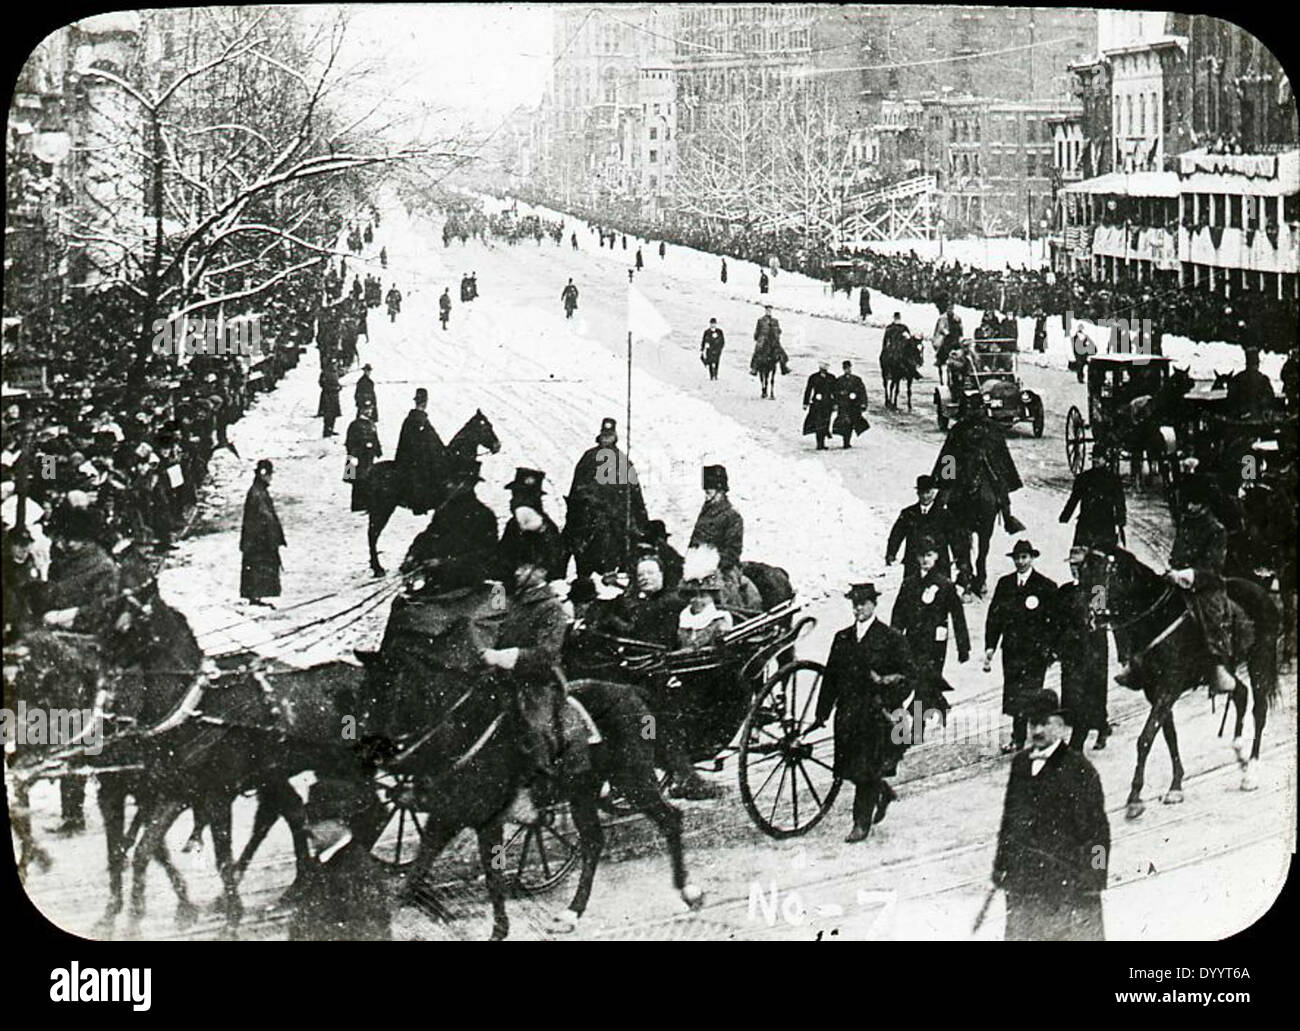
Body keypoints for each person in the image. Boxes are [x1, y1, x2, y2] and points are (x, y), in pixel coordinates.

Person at [992, 688, 1109, 941]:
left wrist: (1094, 877)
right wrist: (1001, 863)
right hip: (1024, 880)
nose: (1037, 731)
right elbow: (1010, 818)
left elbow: (1098, 832)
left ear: (1060, 725)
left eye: (1044, 723)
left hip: (1066, 884)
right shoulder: (1021, 764)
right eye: (1033, 723)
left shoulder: (1080, 770)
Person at [1117, 474, 1237, 696]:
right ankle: (1136, 661)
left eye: (1194, 502)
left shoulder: (1216, 529)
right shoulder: (1186, 523)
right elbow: (1177, 554)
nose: (1190, 506)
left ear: (1203, 503)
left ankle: (1217, 664)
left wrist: (1187, 574)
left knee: (1210, 616)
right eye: (1188, 502)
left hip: (1205, 586)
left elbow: (1213, 568)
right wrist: (1172, 572)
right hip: (1179, 581)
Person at [813, 582, 915, 843]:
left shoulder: (891, 638)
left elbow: (909, 677)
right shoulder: (842, 637)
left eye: (863, 602)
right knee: (850, 768)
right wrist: (821, 714)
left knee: (865, 771)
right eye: (854, 603)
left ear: (874, 604)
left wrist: (888, 697)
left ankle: (861, 823)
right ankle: (884, 792)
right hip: (847, 714)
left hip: (875, 716)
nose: (858, 607)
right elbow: (831, 678)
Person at [480, 534, 572, 823]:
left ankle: (533, 790)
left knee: (531, 725)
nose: (517, 572)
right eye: (518, 567)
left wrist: (504, 656)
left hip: (539, 681)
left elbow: (546, 655)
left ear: (541, 572)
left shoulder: (551, 608)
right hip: (505, 676)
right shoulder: (513, 601)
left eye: (524, 567)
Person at [984, 540, 1058, 752]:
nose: (1020, 562)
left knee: (1034, 694)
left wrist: (1051, 650)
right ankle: (1017, 738)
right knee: (1015, 694)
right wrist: (991, 645)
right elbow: (994, 617)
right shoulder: (1005, 584)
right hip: (1012, 650)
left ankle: (1038, 737)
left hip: (1036, 652)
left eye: (1024, 557)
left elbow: (1054, 622)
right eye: (1017, 558)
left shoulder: (1046, 586)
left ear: (1032, 558)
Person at [890, 535, 967, 731]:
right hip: (912, 640)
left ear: (936, 557)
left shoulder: (944, 584)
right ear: (916, 558)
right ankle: (939, 704)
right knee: (915, 680)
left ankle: (918, 726)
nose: (925, 559)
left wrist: (963, 647)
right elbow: (898, 612)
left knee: (924, 680)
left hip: (935, 643)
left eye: (929, 555)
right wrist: (895, 636)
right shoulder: (909, 583)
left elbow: (957, 616)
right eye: (922, 555)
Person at [400, 453, 498, 593]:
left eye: (454, 482)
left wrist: (444, 564)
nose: (448, 485)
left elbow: (485, 555)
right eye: (448, 481)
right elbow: (429, 535)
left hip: (468, 585)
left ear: (468, 484)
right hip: (438, 580)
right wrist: (413, 554)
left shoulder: (483, 515)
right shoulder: (445, 510)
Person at [563, 417, 648, 575]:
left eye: (609, 433)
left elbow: (634, 494)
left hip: (613, 518)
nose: (607, 437)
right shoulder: (609, 458)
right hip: (597, 516)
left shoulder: (619, 460)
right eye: (605, 433)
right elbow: (577, 488)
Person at [1057, 548, 1110, 750]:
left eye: (1078, 565)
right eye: (1072, 565)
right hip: (1071, 649)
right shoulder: (1066, 590)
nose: (1075, 569)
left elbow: (1098, 619)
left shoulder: (1097, 590)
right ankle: (1082, 730)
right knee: (1072, 692)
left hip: (1093, 647)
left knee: (1094, 690)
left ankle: (1100, 728)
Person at [688, 465, 759, 611]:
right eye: (705, 492)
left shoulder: (732, 516)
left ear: (720, 492)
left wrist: (710, 564)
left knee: (725, 597)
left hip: (722, 569)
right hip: (697, 569)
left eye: (709, 492)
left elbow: (733, 551)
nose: (706, 496)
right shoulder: (705, 511)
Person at [498, 467, 568, 582]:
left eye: (522, 497)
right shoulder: (513, 525)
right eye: (515, 495)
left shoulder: (545, 528)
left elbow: (555, 569)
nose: (514, 501)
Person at [886, 474, 953, 581]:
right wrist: (891, 553)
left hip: (939, 565)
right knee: (911, 594)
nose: (925, 496)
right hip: (914, 565)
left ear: (933, 493)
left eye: (928, 493)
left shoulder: (944, 515)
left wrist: (962, 560)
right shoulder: (908, 513)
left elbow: (956, 538)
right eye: (922, 493)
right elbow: (896, 534)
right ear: (917, 493)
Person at [1058, 447, 1126, 549]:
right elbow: (1074, 499)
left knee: (1105, 555)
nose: (1095, 460)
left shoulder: (1113, 480)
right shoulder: (1083, 478)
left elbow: (1120, 502)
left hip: (1105, 523)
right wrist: (1065, 516)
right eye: (1094, 457)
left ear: (1106, 460)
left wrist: (1120, 520)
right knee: (1080, 554)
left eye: (1099, 458)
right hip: (1086, 522)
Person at [240, 459, 285, 607]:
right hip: (259, 539)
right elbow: (265, 517)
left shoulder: (259, 491)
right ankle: (256, 596)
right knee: (258, 567)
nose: (271, 478)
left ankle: (257, 596)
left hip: (257, 539)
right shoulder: (257, 493)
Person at [394, 388, 443, 516]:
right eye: (421, 402)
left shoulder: (415, 419)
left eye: (422, 401)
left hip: (410, 458)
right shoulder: (417, 420)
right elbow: (418, 442)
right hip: (412, 460)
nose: (422, 404)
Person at [677, 569, 733, 650]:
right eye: (693, 595)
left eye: (703, 596)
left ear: (713, 597)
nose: (697, 600)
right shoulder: (684, 617)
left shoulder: (719, 620)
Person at [344, 404, 382, 513]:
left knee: (367, 478)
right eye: (367, 409)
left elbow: (375, 438)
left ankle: (366, 504)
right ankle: (358, 505)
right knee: (358, 480)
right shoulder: (355, 425)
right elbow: (350, 442)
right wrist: (353, 456)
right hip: (358, 457)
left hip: (368, 457)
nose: (370, 411)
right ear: (361, 410)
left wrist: (378, 450)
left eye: (370, 409)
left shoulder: (371, 424)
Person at [1226, 346, 1276, 419]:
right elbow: (1270, 398)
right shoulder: (1263, 379)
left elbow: (1231, 400)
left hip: (1244, 417)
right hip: (1258, 417)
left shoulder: (1237, 379)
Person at [833, 360, 870, 449]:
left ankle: (848, 441)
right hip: (844, 406)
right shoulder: (839, 380)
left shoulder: (857, 379)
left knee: (853, 423)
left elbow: (862, 392)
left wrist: (864, 403)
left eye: (848, 368)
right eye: (845, 368)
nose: (847, 370)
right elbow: (835, 393)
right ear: (843, 369)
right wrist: (837, 402)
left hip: (854, 406)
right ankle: (845, 442)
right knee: (845, 423)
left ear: (851, 368)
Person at [802, 360, 837, 450]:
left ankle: (823, 441)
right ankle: (819, 443)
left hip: (828, 403)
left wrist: (835, 403)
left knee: (826, 422)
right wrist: (805, 403)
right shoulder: (813, 377)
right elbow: (808, 390)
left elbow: (835, 391)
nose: (823, 369)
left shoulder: (832, 378)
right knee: (818, 422)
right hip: (817, 404)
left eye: (825, 367)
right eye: (822, 367)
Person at [751, 304, 790, 377]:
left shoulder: (775, 321)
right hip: (763, 340)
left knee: (781, 352)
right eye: (767, 310)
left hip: (773, 340)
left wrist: (777, 334)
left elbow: (779, 330)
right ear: (765, 311)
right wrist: (757, 338)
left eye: (770, 310)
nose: (768, 312)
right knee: (757, 352)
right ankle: (754, 369)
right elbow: (757, 331)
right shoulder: (760, 320)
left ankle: (784, 367)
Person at [317, 359, 341, 438]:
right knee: (328, 415)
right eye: (334, 364)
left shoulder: (335, 373)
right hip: (327, 397)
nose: (335, 365)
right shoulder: (325, 373)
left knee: (333, 415)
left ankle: (331, 429)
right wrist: (333, 388)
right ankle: (326, 431)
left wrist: (339, 387)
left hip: (334, 397)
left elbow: (336, 383)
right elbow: (322, 384)